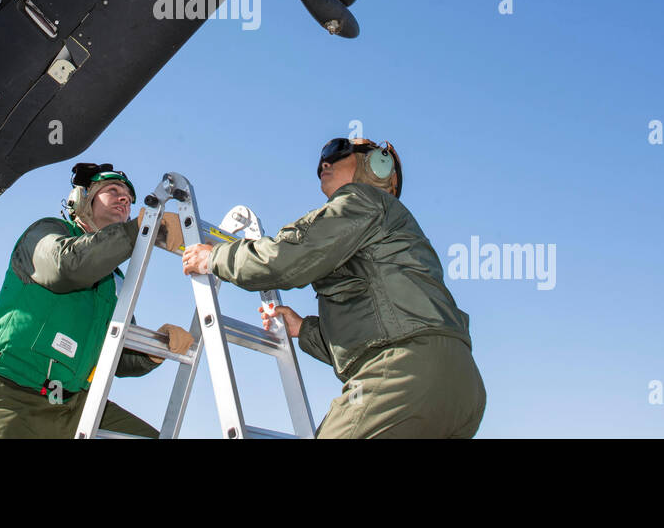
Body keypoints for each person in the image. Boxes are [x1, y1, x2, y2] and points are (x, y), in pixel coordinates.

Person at [181, 138, 485, 438]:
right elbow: (374, 333)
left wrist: (215, 257)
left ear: (375, 165)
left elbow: (289, 256)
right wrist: (303, 329)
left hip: (405, 374)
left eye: (338, 151)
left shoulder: (361, 201)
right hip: (460, 388)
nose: (323, 163)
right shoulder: (388, 227)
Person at [0, 162, 191, 438]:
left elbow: (115, 354)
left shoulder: (116, 280)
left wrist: (152, 349)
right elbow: (68, 266)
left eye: (129, 198)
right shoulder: (46, 234)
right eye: (113, 190)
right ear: (82, 199)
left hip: (75, 404)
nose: (125, 199)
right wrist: (138, 231)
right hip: (14, 395)